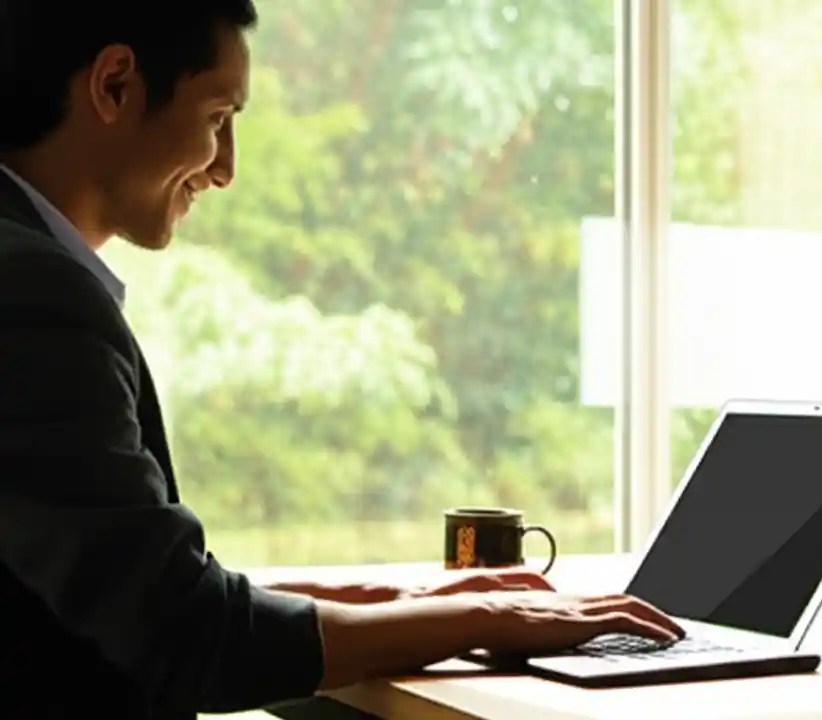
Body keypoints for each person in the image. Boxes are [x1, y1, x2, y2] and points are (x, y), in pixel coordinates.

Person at [0, 1, 683, 717]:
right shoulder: (35, 297)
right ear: (114, 85)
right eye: (216, 117)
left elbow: (147, 589)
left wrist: (403, 599)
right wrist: (488, 621)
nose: (226, 167)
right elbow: (190, 632)